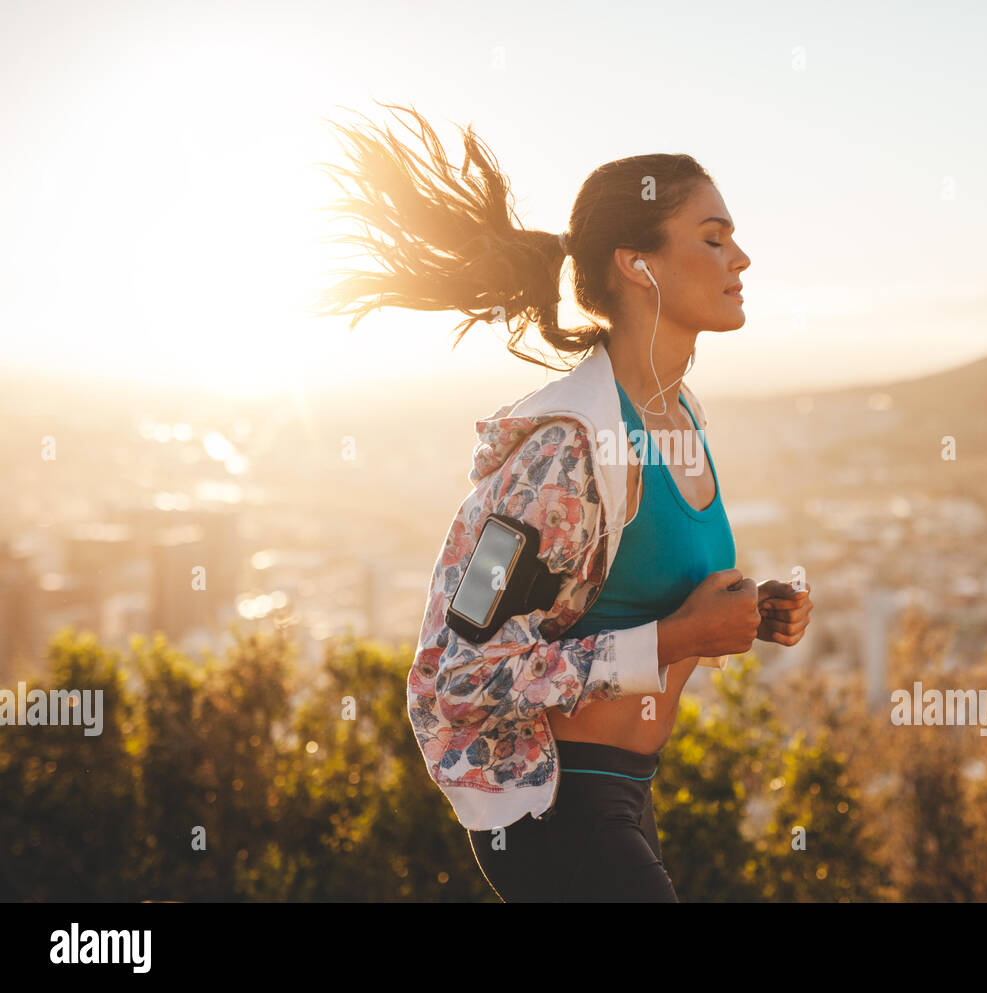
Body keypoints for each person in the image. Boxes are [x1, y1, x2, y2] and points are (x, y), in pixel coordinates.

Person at [314, 102, 814, 901]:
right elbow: (461, 673)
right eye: (714, 238)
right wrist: (679, 635)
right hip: (555, 813)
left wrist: (749, 610)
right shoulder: (562, 451)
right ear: (637, 264)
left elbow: (632, 599)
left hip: (625, 796)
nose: (742, 257)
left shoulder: (681, 418)